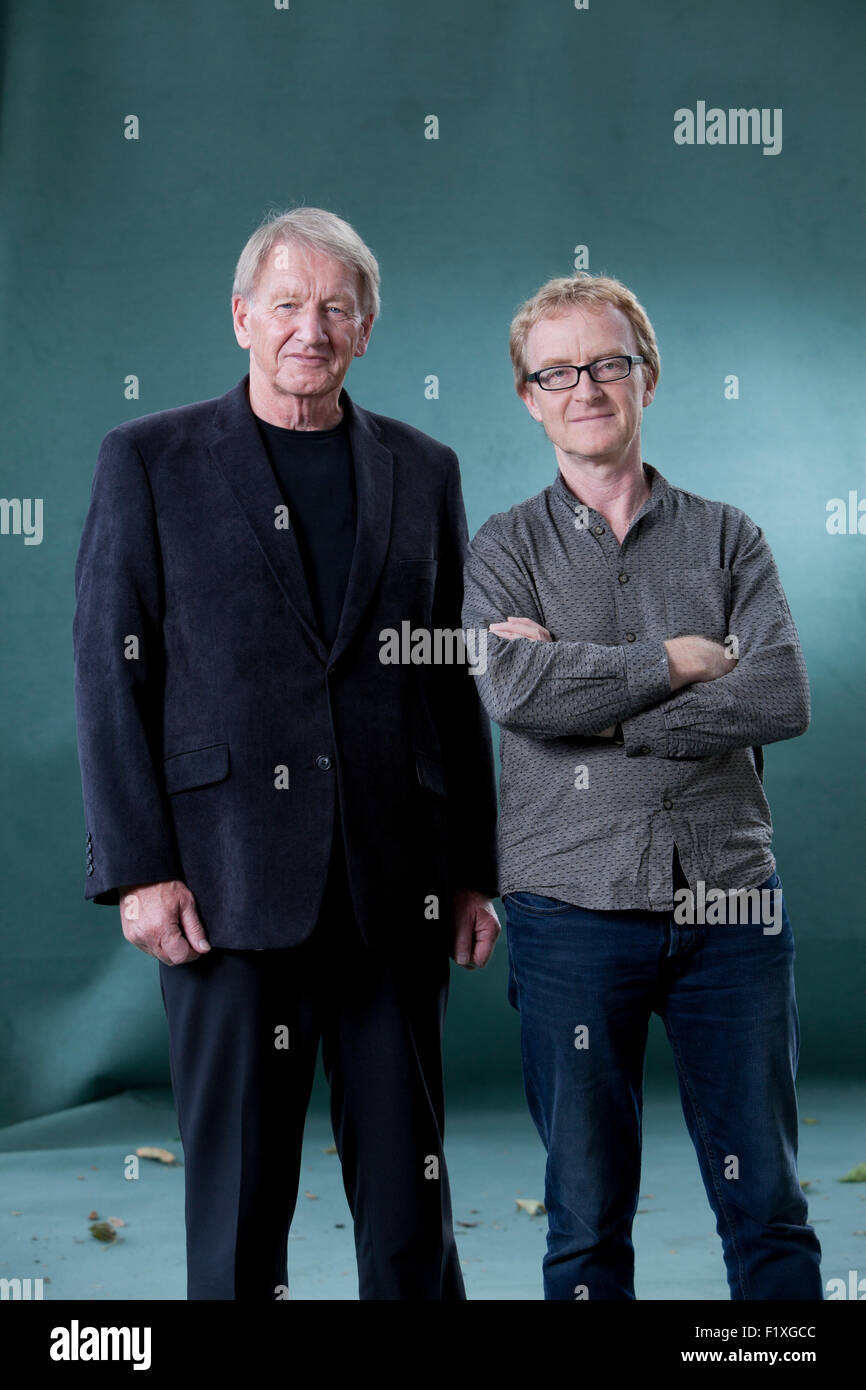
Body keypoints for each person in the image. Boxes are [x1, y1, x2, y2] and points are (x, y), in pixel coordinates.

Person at [73, 206, 500, 1300]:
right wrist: (137, 867)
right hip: (220, 885)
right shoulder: (148, 460)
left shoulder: (425, 467)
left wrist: (469, 868)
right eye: (287, 306)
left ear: (364, 331)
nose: (309, 328)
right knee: (236, 1208)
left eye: (335, 309)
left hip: (390, 884)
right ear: (241, 319)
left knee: (408, 1209)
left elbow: (448, 680)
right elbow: (111, 672)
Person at [462, 271, 822, 1301]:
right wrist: (678, 657)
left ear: (646, 378)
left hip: (727, 905)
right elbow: (514, 691)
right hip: (568, 910)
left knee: (766, 1204)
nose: (584, 386)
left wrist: (590, 695)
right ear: (529, 398)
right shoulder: (501, 548)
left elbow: (779, 693)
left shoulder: (728, 536)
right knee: (583, 1214)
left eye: (606, 363)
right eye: (555, 371)